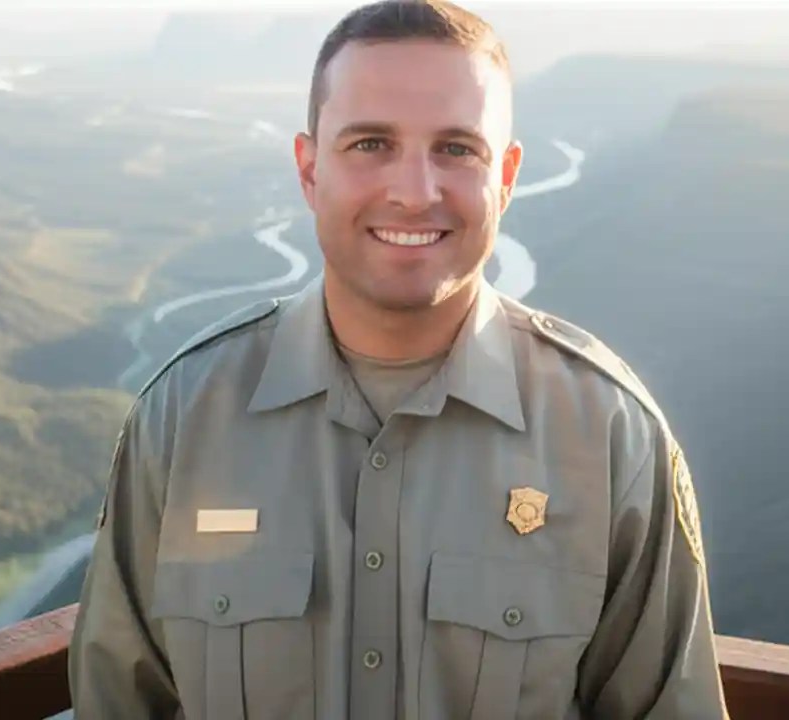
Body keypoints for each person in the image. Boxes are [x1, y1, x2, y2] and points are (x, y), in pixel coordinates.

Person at [68, 1, 730, 717]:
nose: (415, 193)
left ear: (505, 176)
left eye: (456, 149)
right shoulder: (183, 417)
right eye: (370, 144)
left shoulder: (610, 437)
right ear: (309, 167)